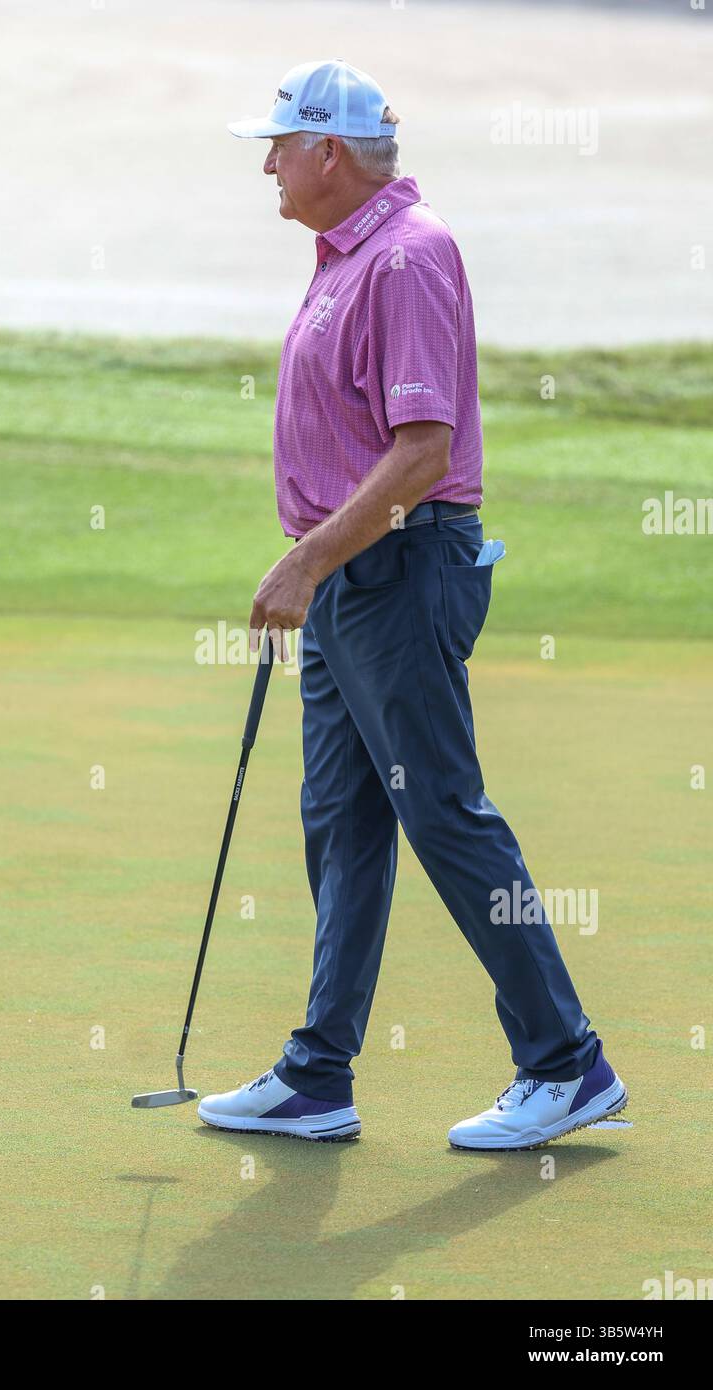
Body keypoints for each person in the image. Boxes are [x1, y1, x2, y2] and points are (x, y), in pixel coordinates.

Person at [198, 60, 627, 1149]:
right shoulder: (345, 255)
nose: (267, 166)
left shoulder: (407, 257)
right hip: (351, 575)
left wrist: (306, 563)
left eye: (279, 147)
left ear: (328, 153)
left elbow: (422, 453)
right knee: (342, 819)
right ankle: (317, 1074)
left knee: (440, 808)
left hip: (396, 571)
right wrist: (314, 558)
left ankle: (565, 1060)